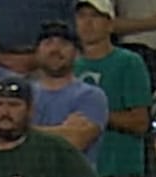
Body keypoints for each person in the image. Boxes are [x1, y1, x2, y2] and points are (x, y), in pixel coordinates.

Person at [73, 0, 151, 177]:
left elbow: (140, 122)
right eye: (82, 16)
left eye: (95, 16)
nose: (87, 23)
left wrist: (98, 115)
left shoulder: (129, 63)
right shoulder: (68, 66)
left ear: (110, 24)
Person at [29, 19, 108, 164]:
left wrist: (23, 131)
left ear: (77, 53)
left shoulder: (91, 96)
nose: (55, 49)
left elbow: (75, 141)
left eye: (63, 44)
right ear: (36, 52)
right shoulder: (25, 94)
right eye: (48, 43)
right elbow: (1, 139)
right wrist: (62, 130)